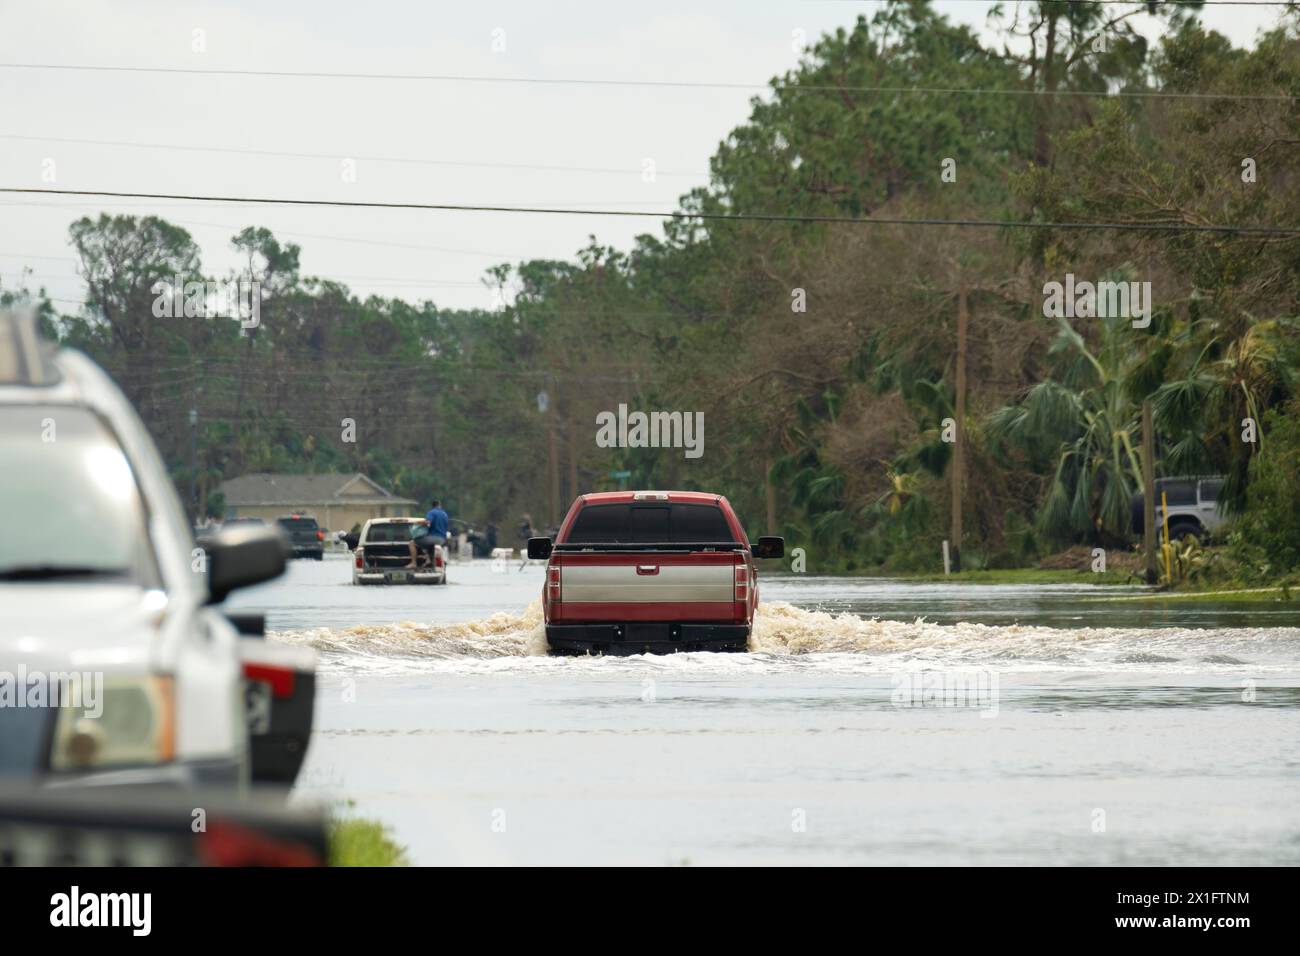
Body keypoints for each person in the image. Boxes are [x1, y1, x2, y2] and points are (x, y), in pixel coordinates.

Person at [406, 499, 450, 569]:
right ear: (439, 505)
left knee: (412, 543)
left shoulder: (432, 512)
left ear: (432, 506)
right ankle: (429, 560)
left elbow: (427, 522)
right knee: (427, 544)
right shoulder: (444, 514)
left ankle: (413, 563)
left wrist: (417, 523)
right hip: (442, 539)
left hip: (433, 538)